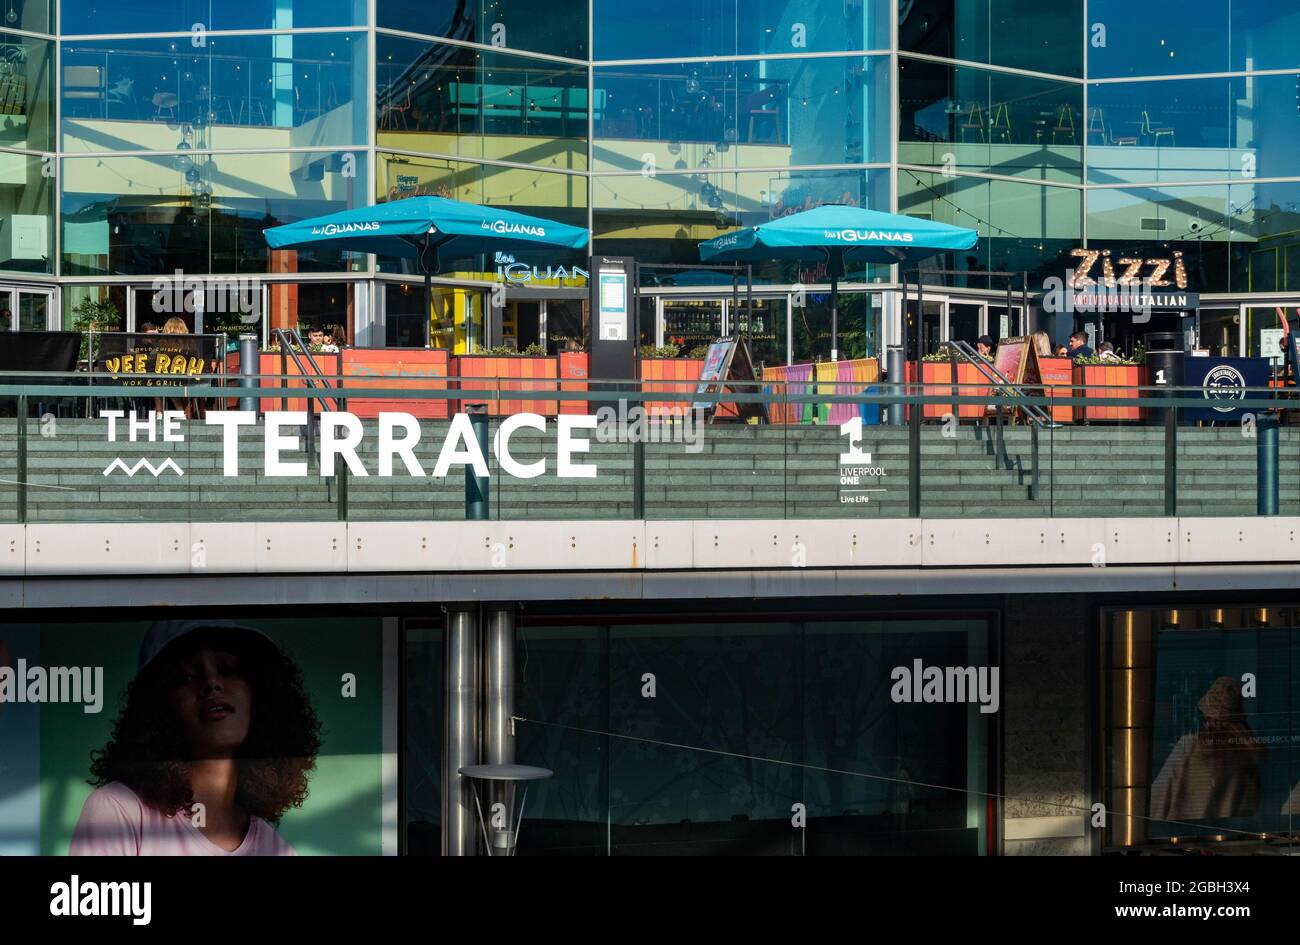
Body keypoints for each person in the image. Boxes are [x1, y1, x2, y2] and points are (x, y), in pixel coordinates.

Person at [69, 620, 320, 856]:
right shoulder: (119, 811)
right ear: (158, 707)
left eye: (228, 669)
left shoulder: (278, 850)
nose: (211, 683)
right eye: (185, 678)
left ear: (259, 694)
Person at [1149, 676, 1266, 822]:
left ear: (1208, 716)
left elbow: (1158, 798)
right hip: (1233, 831)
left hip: (1188, 829)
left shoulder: (1190, 745)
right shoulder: (1249, 752)